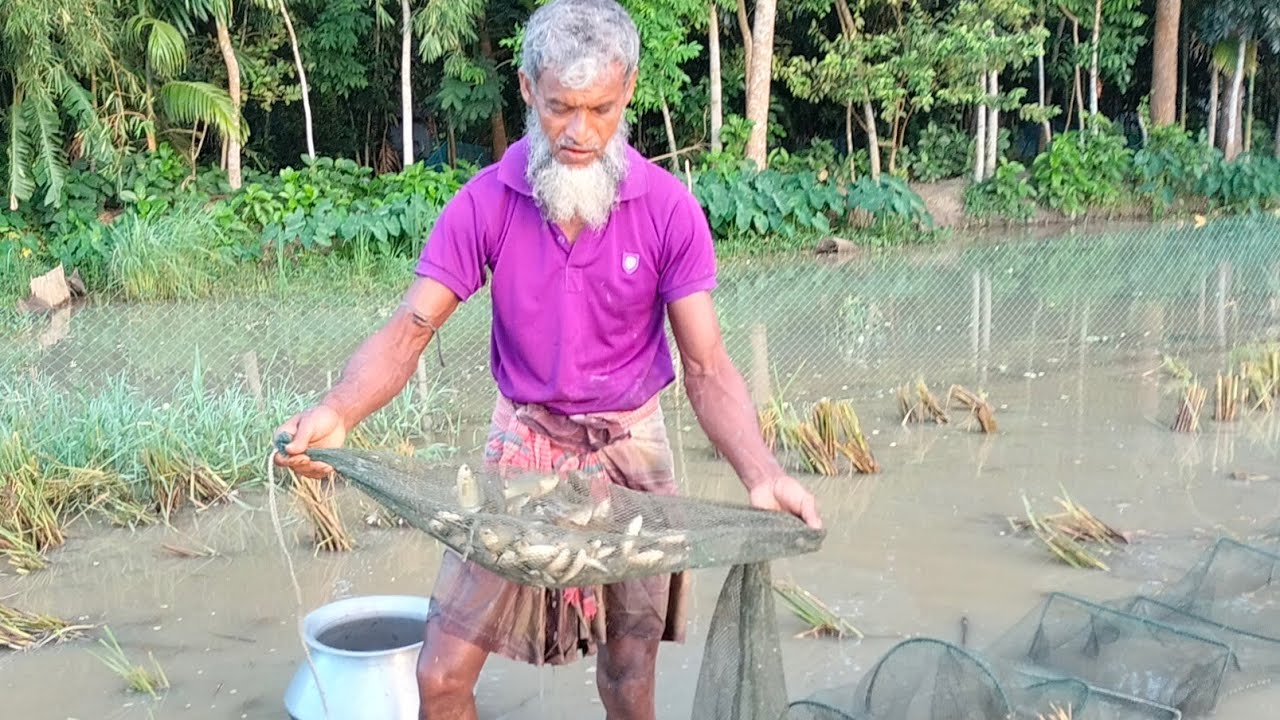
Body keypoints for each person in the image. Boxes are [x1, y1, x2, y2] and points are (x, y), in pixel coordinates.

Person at [272, 1, 822, 717]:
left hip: (631, 445)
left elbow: (709, 366)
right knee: (439, 675)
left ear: (627, 93)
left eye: (600, 109)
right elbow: (410, 329)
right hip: (523, 442)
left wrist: (763, 472)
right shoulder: (486, 203)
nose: (580, 132)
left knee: (629, 678)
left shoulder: (667, 210)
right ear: (529, 89)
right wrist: (339, 410)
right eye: (561, 106)